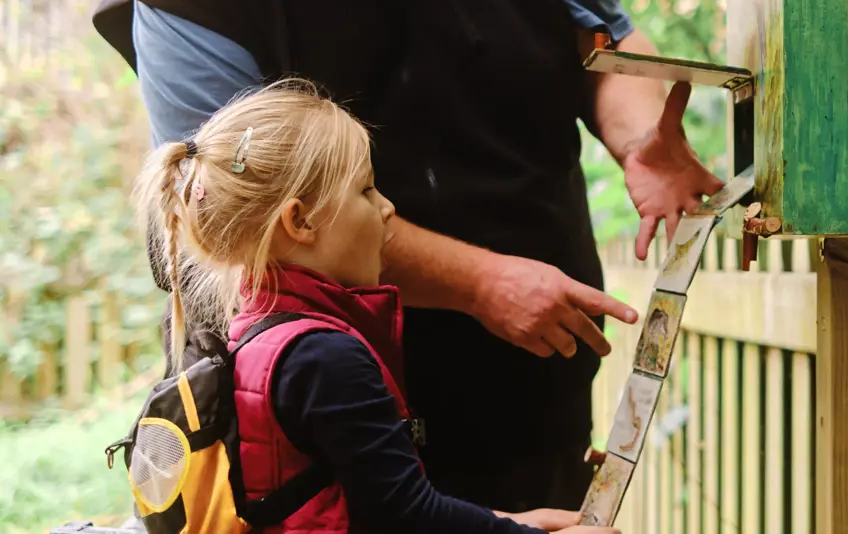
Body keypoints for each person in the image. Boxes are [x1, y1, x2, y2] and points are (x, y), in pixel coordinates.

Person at [93, 0, 724, 512]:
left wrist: (639, 137)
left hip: (526, 373)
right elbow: (242, 216)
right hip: (310, 410)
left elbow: (600, 33)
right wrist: (480, 283)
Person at [131, 79, 620, 533]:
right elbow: (408, 516)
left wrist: (517, 523)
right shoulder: (323, 356)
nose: (387, 207)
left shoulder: (257, 333)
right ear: (299, 221)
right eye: (366, 189)